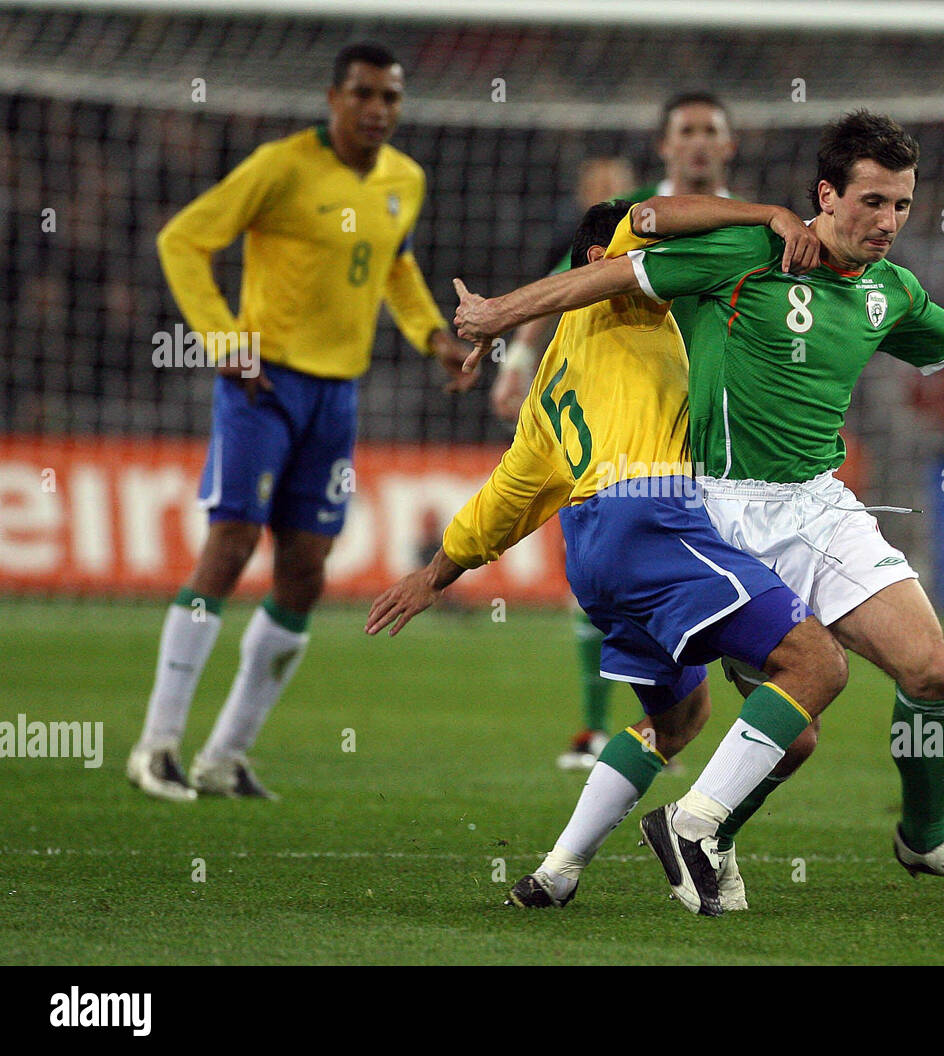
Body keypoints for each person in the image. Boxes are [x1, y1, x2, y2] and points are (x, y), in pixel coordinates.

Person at [454, 110, 944, 912]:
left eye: (901, 205)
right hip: (719, 512)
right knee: (800, 723)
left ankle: (924, 836)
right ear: (827, 195)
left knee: (932, 671)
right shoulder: (749, 252)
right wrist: (504, 315)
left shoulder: (890, 291)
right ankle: (701, 830)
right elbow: (617, 273)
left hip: (819, 505)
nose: (888, 222)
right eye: (872, 202)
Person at [368, 197, 846, 918]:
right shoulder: (622, 290)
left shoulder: (549, 385)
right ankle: (694, 827)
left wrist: (436, 573)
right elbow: (651, 215)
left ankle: (557, 871)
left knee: (678, 722)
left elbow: (509, 495)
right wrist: (771, 213)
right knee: (816, 664)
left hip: (591, 551)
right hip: (650, 513)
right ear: (604, 259)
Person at [127, 42, 473, 802]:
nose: (378, 110)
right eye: (364, 95)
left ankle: (225, 755)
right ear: (333, 98)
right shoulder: (280, 166)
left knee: (307, 570)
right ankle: (156, 745)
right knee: (231, 543)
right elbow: (182, 240)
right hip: (264, 385)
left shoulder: (403, 180)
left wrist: (433, 340)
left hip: (336, 399)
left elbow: (396, 267)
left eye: (390, 97)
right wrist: (222, 338)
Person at [493, 93, 739, 771]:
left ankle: (684, 718)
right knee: (606, 547)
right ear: (663, 146)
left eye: (709, 132)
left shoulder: (740, 223)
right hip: (621, 406)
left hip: (707, 416)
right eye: (685, 131)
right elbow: (560, 281)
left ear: (729, 146)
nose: (697, 142)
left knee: (707, 572)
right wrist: (514, 359)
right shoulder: (631, 217)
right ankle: (596, 726)